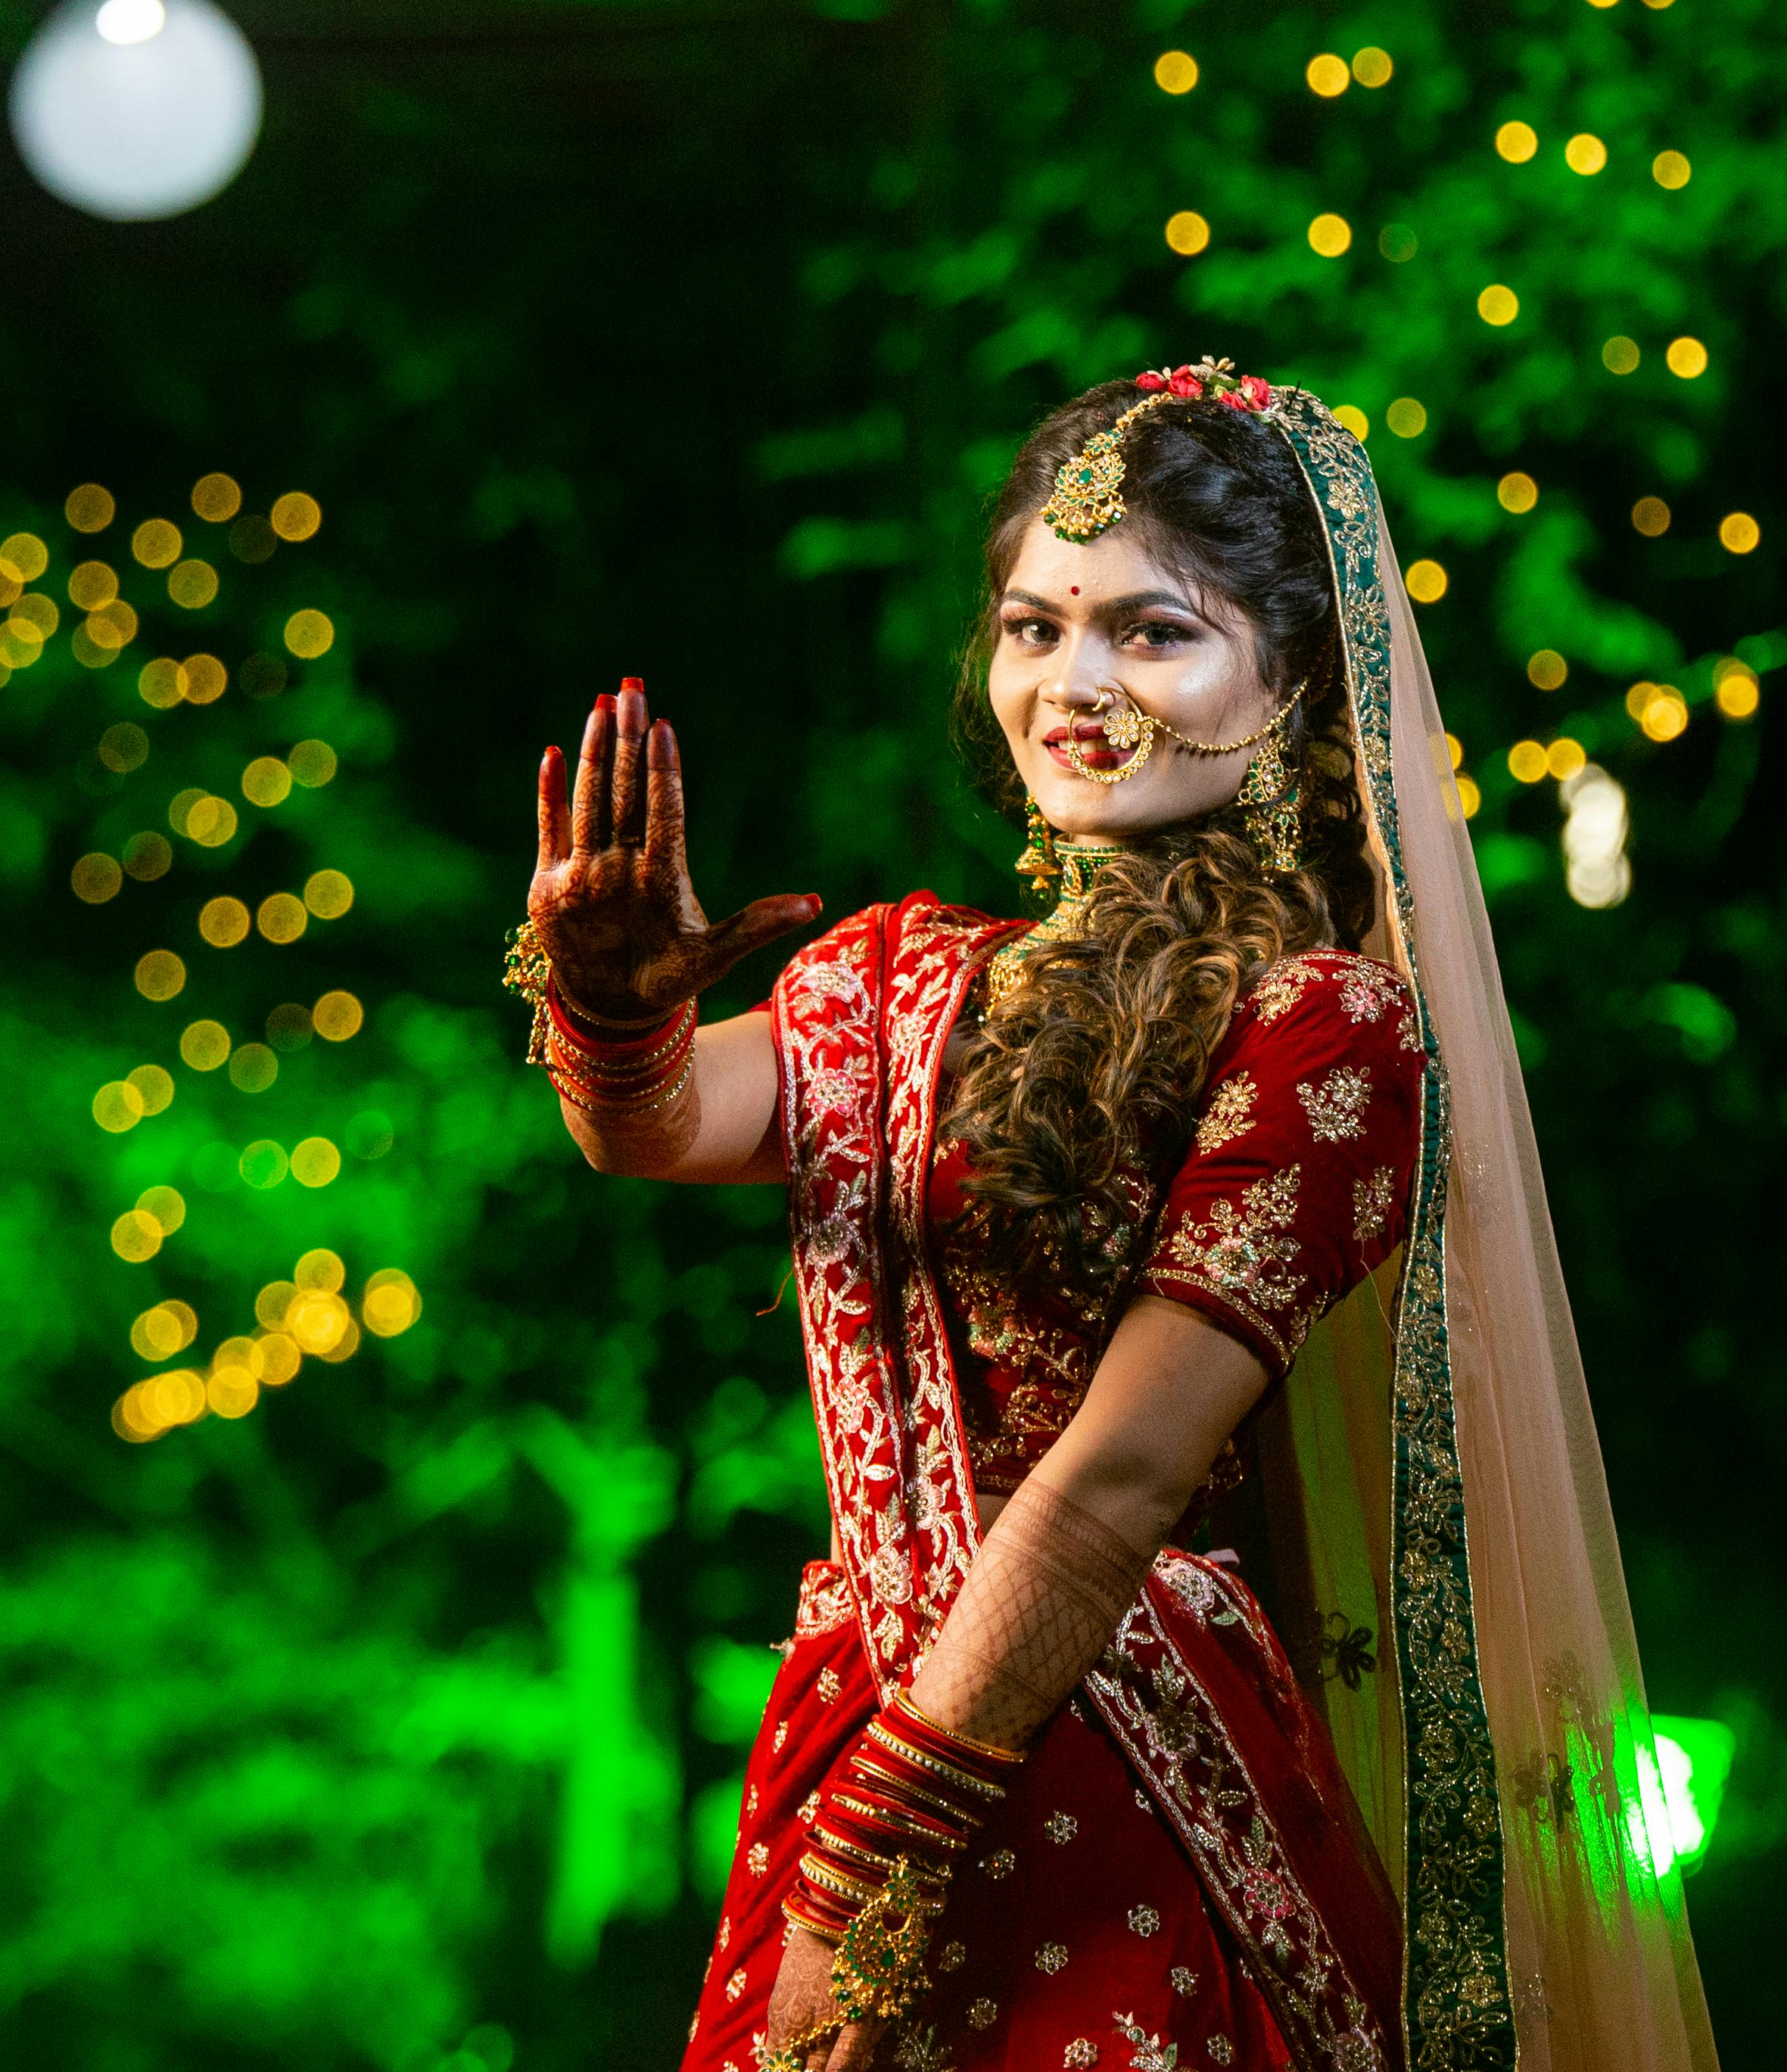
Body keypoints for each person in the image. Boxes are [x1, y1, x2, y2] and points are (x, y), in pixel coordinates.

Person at [512, 364, 1719, 2072]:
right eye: (1032, 627)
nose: (1070, 685)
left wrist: (872, 1861)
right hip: (854, 1723)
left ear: (1290, 681)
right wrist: (615, 1006)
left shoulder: (1324, 1030)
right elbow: (653, 1127)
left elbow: (1120, 1479)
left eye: (1152, 632)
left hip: (1105, 1752)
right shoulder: (894, 978)